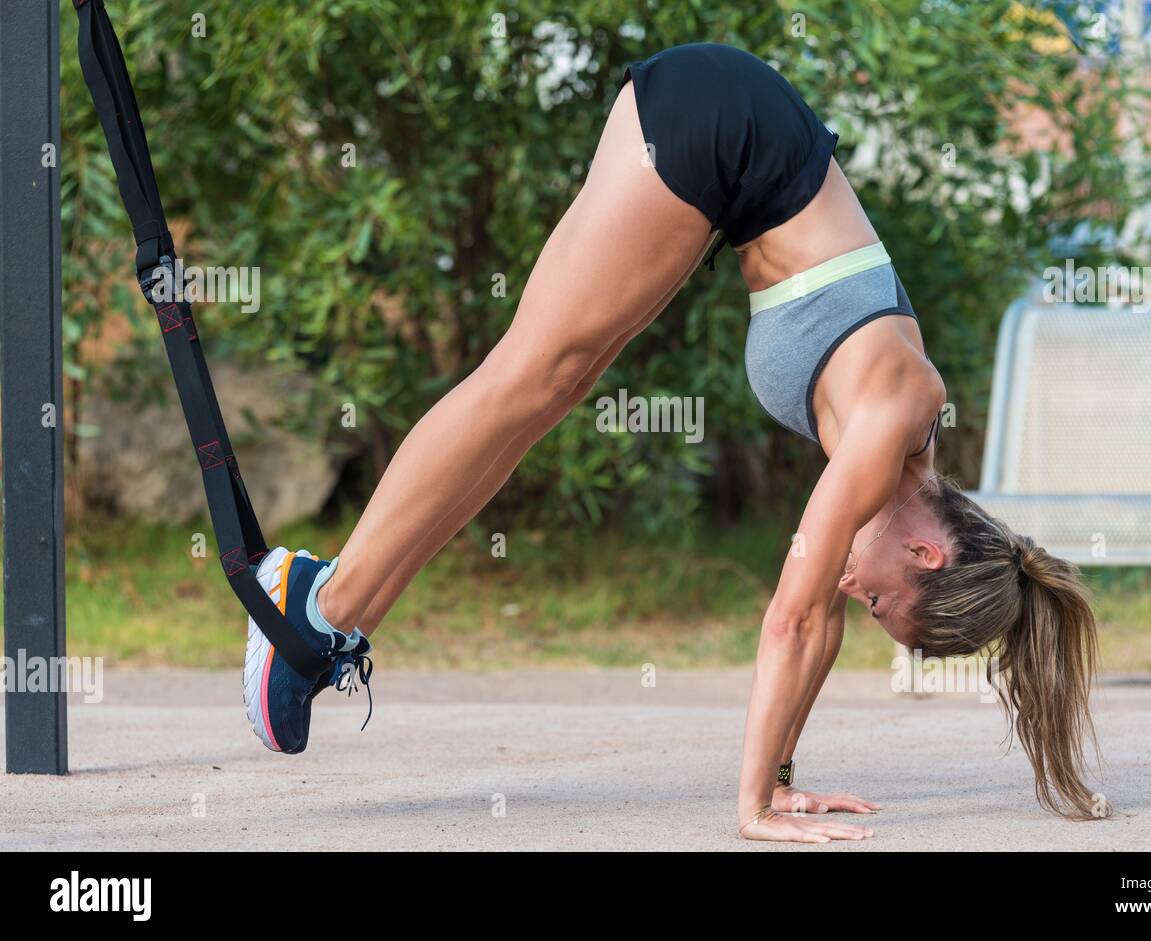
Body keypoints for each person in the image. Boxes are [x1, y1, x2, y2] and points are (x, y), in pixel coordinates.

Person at [241, 43, 1107, 842]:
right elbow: (795, 616)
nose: (858, 596)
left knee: (551, 388)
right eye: (883, 601)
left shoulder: (888, 460)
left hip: (723, 145)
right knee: (533, 372)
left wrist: (783, 772)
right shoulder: (893, 416)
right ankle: (316, 607)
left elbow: (820, 624)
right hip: (716, 123)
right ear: (924, 549)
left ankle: (332, 608)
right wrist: (754, 806)